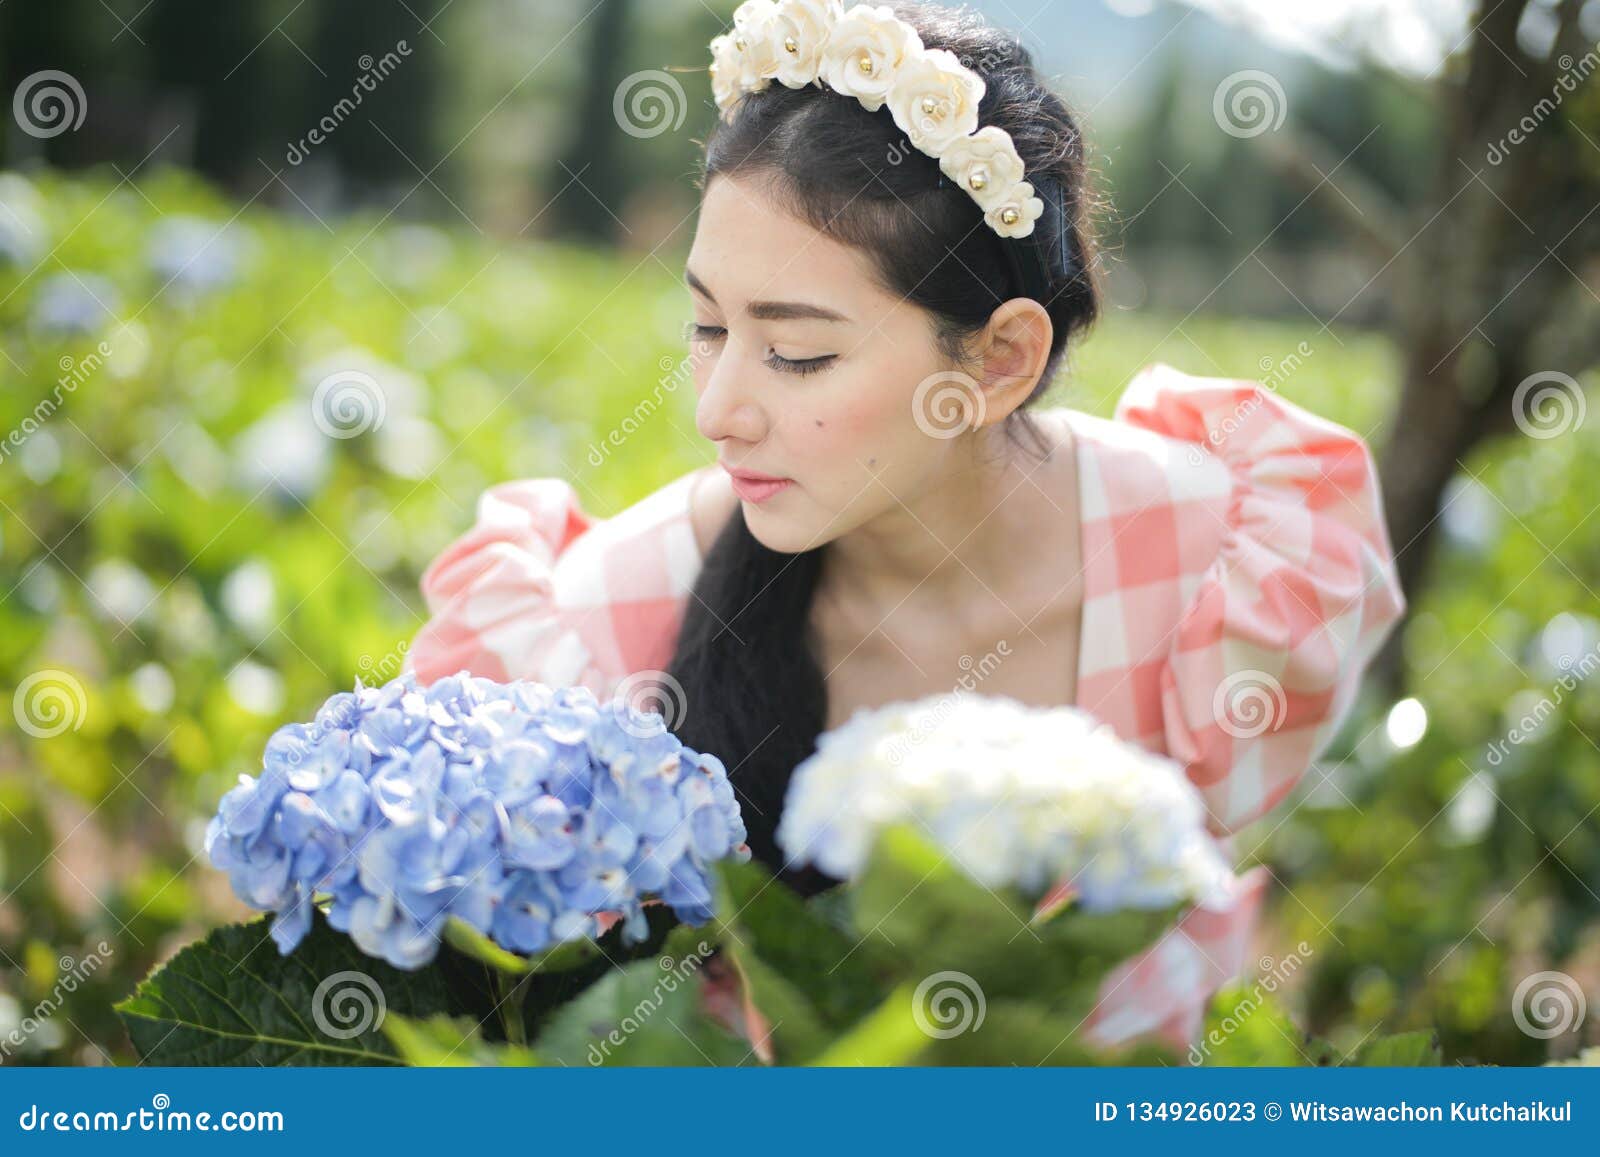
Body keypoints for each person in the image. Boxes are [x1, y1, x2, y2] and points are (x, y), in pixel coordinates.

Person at [405, 0, 1406, 1057]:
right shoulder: (608, 622)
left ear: (998, 359)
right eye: (707, 327)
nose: (717, 410)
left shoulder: (1218, 558)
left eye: (796, 352)